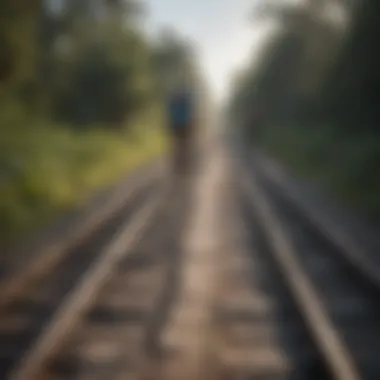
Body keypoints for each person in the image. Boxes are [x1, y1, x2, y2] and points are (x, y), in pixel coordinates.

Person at [167, 87, 194, 175]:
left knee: (178, 144)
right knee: (184, 144)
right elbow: (190, 114)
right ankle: (184, 162)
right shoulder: (186, 101)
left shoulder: (174, 102)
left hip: (177, 125)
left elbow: (170, 113)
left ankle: (178, 162)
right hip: (185, 125)